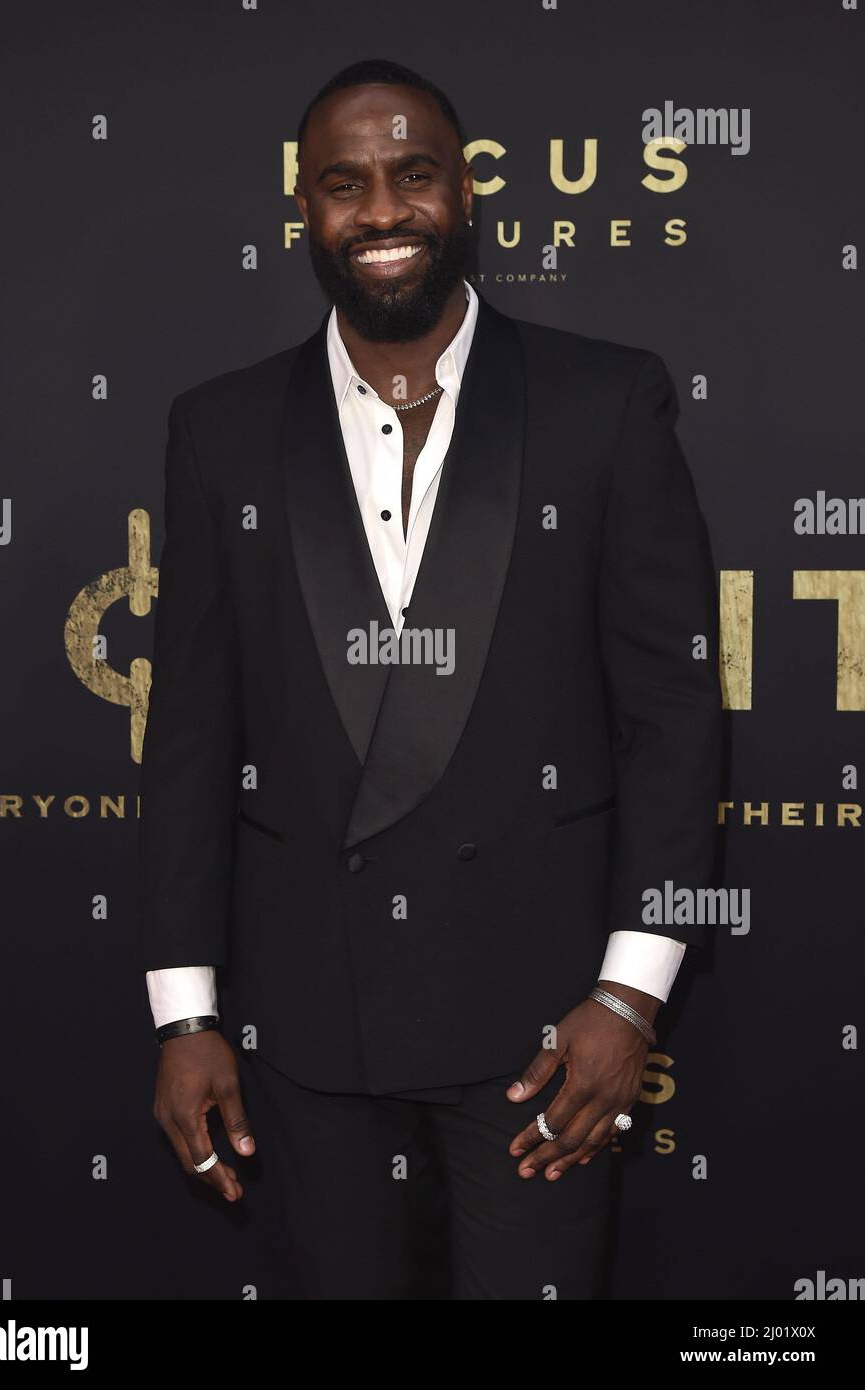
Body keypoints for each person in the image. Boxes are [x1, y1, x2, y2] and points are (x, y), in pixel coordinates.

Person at [138, 58, 723, 1300]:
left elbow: (671, 718)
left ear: (466, 194)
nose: (382, 212)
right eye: (343, 186)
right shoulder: (221, 429)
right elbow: (191, 734)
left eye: (412, 176)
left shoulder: (603, 403)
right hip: (302, 1030)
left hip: (542, 1031)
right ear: (305, 209)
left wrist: (627, 996)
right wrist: (187, 1015)